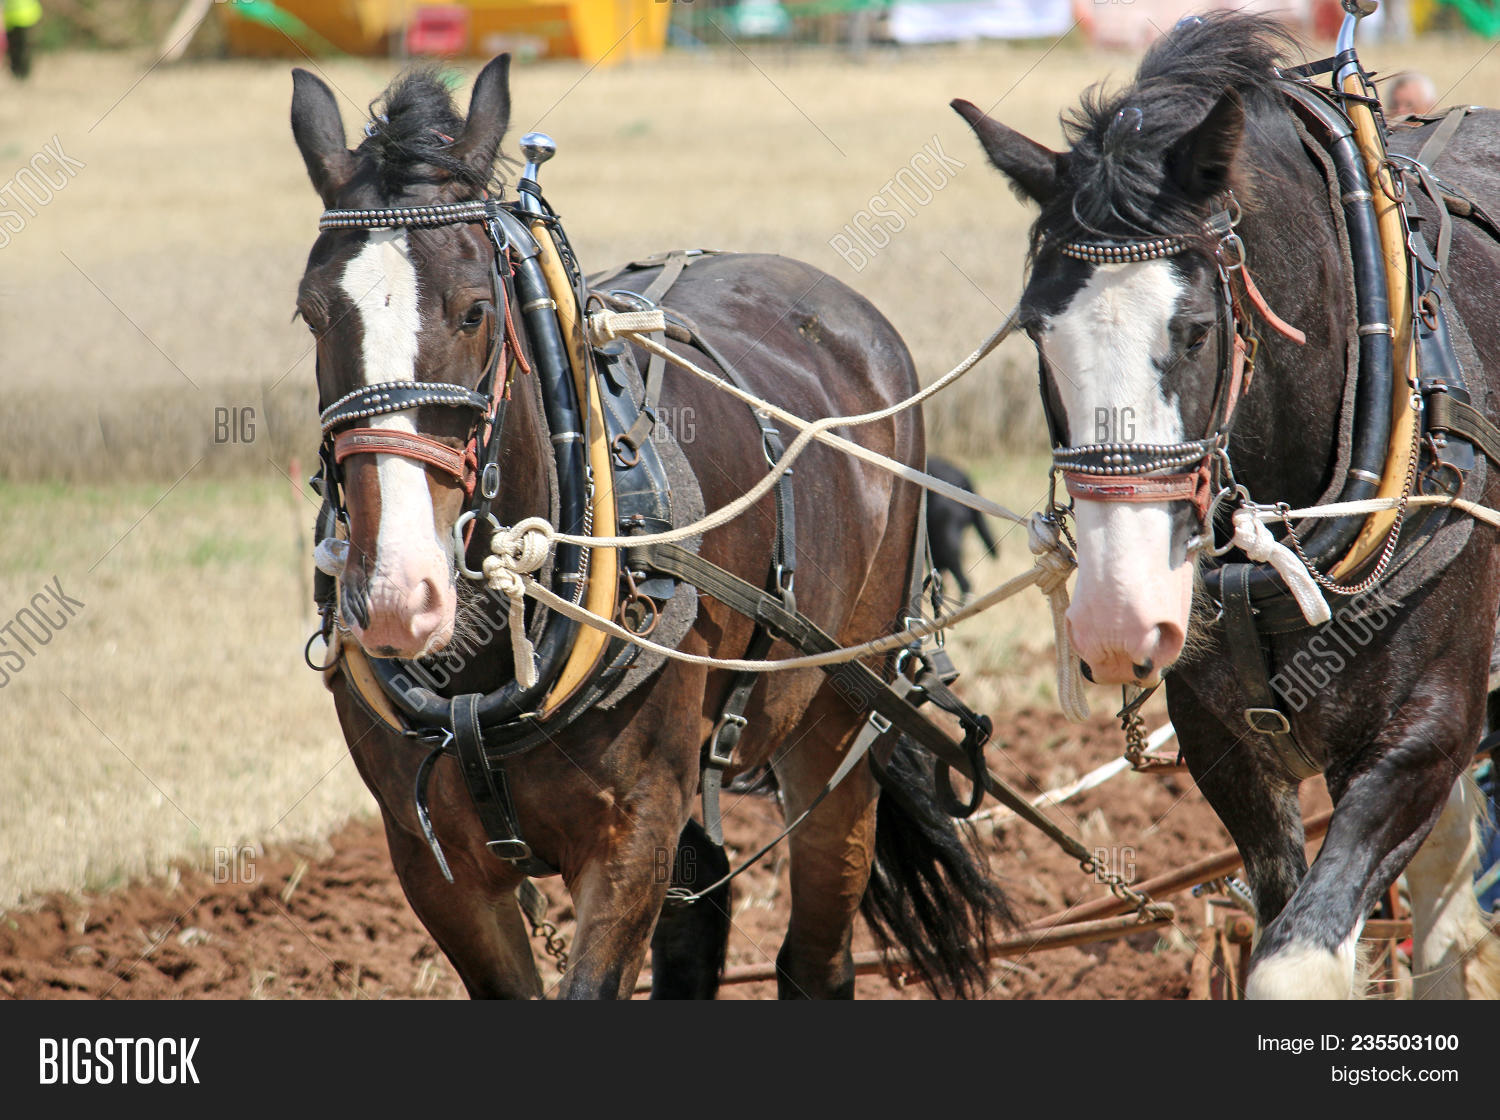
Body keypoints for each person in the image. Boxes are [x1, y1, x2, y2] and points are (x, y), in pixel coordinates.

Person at [3, 0, 40, 80]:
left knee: (21, 48)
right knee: (18, 48)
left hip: (25, 18)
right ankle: (19, 73)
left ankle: (22, 73)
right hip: (19, 18)